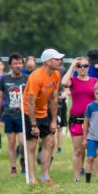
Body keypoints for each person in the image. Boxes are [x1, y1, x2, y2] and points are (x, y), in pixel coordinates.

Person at [24, 49, 64, 183]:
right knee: (32, 145)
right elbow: (30, 103)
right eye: (57, 59)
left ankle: (44, 175)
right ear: (47, 62)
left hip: (43, 112)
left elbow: (54, 99)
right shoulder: (35, 77)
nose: (60, 61)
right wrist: (34, 125)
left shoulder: (56, 74)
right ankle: (31, 177)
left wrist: (53, 120)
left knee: (50, 142)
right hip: (29, 112)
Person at [61, 57, 98, 182]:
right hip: (76, 119)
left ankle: (95, 175)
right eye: (80, 66)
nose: (82, 68)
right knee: (78, 150)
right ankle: (77, 177)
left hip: (92, 119)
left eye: (85, 66)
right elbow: (64, 82)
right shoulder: (72, 81)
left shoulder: (94, 81)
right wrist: (72, 65)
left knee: (93, 149)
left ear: (88, 67)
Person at [0, 54, 26, 174]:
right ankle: (13, 167)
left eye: (20, 63)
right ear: (11, 65)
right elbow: (0, 98)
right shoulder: (5, 79)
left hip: (22, 116)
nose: (18, 66)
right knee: (11, 142)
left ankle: (23, 160)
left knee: (22, 143)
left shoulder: (27, 79)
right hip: (8, 115)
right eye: (15, 63)